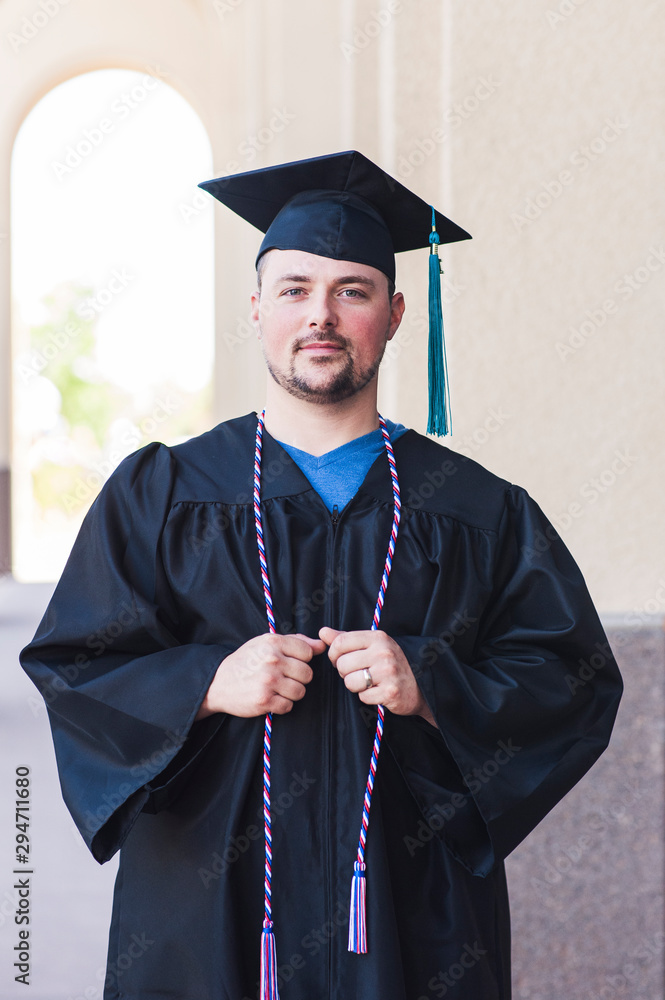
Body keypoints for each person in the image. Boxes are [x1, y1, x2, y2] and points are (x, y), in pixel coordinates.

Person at [20, 150, 622, 1000]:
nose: (322, 317)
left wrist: (433, 684)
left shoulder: (480, 511)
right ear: (258, 305)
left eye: (352, 290)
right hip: (208, 905)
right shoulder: (160, 493)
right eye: (296, 288)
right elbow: (75, 664)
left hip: (412, 911)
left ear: (396, 313)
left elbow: (573, 679)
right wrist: (203, 682)